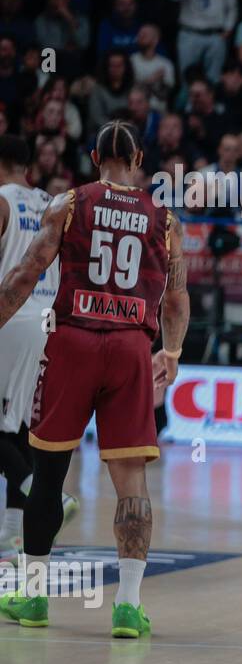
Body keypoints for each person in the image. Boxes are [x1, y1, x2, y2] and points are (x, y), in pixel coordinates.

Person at [0, 121, 189, 636]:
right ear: (139, 158)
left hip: (73, 344)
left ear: (92, 157)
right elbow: (175, 298)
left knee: (49, 472)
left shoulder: (68, 204)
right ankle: (128, 606)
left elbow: (24, 276)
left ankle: (34, 598)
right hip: (131, 347)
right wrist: (170, 351)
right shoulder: (166, 220)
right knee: (132, 480)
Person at [0, 136, 79, 551]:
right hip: (51, 319)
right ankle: (13, 530)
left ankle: (48, 493)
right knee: (21, 426)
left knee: (3, 427)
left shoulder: (2, 200)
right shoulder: (52, 201)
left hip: (12, 317)